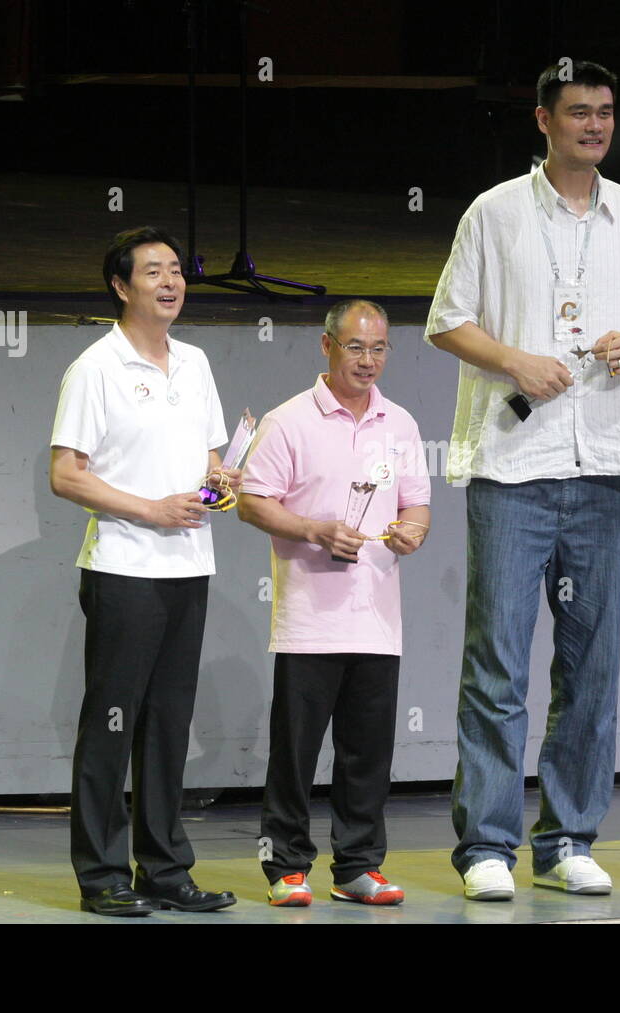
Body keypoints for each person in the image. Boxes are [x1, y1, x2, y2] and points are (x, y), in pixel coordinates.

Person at [426, 61, 620, 900]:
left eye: (606, 112)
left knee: (592, 664)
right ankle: (488, 844)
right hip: (516, 463)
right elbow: (446, 321)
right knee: (498, 662)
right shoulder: (495, 212)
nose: (595, 126)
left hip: (609, 461)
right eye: (579, 112)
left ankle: (568, 833)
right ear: (542, 120)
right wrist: (516, 360)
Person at [50, 226, 239, 916]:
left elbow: (213, 462)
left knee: (168, 724)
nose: (170, 281)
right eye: (153, 270)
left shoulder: (194, 363)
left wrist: (224, 479)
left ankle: (164, 867)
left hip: (190, 566)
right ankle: (101, 873)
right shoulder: (95, 366)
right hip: (125, 566)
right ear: (120, 286)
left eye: (177, 270)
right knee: (112, 722)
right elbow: (66, 475)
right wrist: (150, 509)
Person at [238, 299, 431, 907]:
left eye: (378, 349)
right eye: (355, 347)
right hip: (308, 621)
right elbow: (250, 501)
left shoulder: (398, 423)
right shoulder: (289, 420)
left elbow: (417, 504)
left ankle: (357, 867)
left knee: (366, 755)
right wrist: (314, 529)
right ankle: (285, 866)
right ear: (327, 347)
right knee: (294, 754)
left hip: (377, 618)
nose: (368, 360)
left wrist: (413, 530)